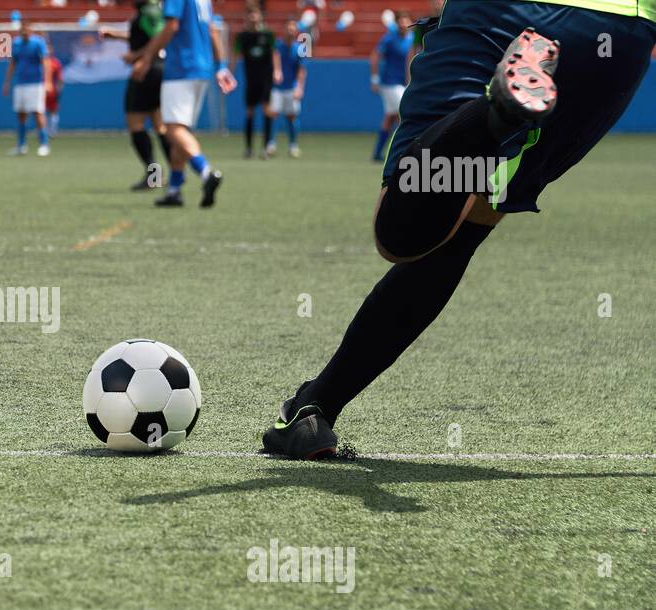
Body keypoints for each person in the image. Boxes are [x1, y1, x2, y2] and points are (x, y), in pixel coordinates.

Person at [261, 0, 656, 460]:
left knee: (403, 229)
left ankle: (497, 112)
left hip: (504, 15)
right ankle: (316, 407)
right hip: (621, 34)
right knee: (462, 228)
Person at [132, 0, 235, 208]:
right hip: (202, 69)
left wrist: (146, 58)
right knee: (181, 131)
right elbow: (212, 31)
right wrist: (221, 66)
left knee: (172, 129)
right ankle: (174, 191)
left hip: (181, 69)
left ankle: (206, 173)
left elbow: (171, 26)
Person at [100, 0, 176, 190]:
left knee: (135, 123)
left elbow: (160, 37)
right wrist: (117, 36)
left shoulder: (148, 11)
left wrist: (137, 57)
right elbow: (148, 37)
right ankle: (175, 174)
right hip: (157, 69)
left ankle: (156, 175)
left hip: (147, 70)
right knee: (159, 126)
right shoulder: (150, 10)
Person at [232, 6, 279, 159]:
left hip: (265, 79)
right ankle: (249, 148)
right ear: (247, 17)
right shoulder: (243, 36)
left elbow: (274, 53)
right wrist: (229, 74)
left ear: (260, 16)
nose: (253, 17)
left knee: (267, 110)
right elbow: (235, 55)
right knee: (250, 112)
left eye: (255, 14)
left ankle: (266, 147)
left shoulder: (268, 34)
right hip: (250, 79)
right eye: (250, 14)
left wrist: (278, 70)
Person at [369, 9, 414, 162]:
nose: (403, 24)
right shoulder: (389, 39)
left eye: (406, 21)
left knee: (389, 118)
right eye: (400, 22)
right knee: (406, 115)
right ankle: (403, 154)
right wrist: (374, 79)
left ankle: (377, 153)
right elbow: (375, 56)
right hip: (390, 84)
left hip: (405, 83)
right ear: (396, 24)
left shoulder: (413, 39)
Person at [2, 23, 53, 156]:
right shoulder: (16, 43)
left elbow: (46, 62)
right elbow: (13, 63)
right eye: (22, 31)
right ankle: (21, 145)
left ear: (31, 31)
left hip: (35, 83)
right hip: (21, 84)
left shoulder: (38, 43)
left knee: (37, 112)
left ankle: (44, 144)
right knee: (21, 114)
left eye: (27, 31)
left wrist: (47, 81)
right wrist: (7, 82)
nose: (25, 33)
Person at [266, 18, 307, 158]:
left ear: (296, 31)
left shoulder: (300, 49)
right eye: (288, 28)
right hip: (278, 88)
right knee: (274, 114)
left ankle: (293, 146)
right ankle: (271, 145)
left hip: (291, 87)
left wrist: (299, 88)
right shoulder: (278, 45)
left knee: (291, 116)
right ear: (284, 30)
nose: (290, 30)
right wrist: (277, 71)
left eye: (293, 28)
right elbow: (275, 57)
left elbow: (302, 70)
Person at [45, 53, 64, 137]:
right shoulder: (40, 62)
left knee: (53, 111)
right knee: (41, 112)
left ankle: (52, 132)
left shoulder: (56, 63)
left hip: (52, 91)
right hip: (41, 91)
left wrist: (59, 91)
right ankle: (44, 132)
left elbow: (60, 79)